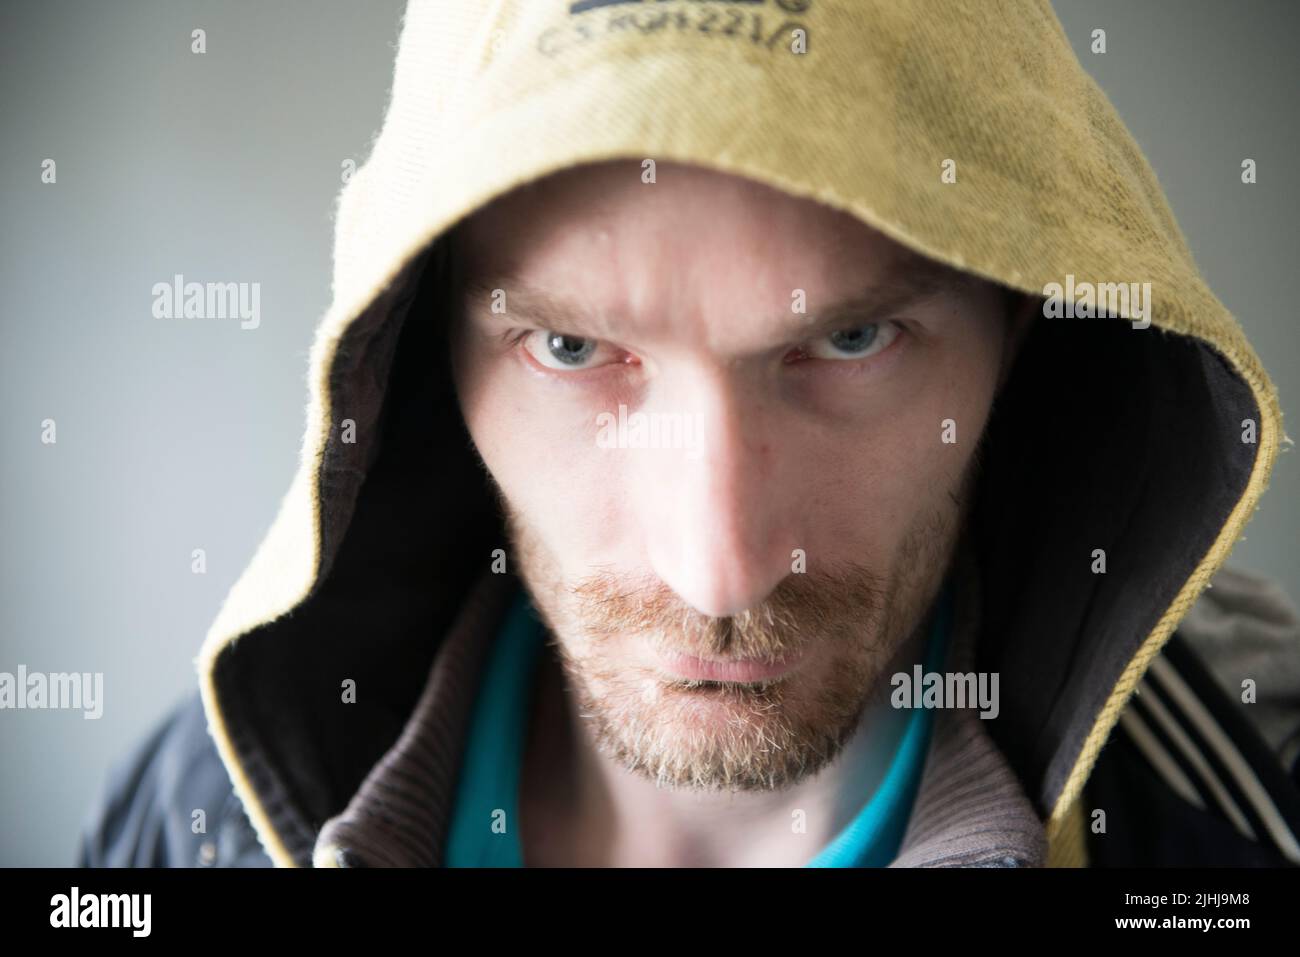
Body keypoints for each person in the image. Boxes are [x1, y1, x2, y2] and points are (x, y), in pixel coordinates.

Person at [79, 0, 1300, 868]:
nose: (720, 566)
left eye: (848, 343)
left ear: (1024, 324)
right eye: (570, 349)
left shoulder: (1248, 796)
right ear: (419, 353)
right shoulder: (196, 822)